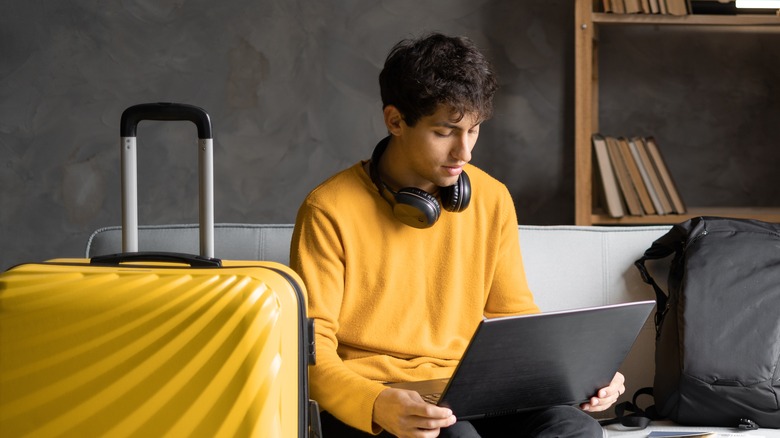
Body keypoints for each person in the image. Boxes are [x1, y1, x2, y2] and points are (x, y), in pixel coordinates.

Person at [290, 32, 624, 438]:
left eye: (474, 130)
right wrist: (375, 403)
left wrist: (583, 373)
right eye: (445, 132)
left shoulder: (491, 197)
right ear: (395, 120)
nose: (464, 152)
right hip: (381, 398)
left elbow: (514, 316)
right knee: (455, 435)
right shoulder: (328, 208)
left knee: (576, 429)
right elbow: (311, 352)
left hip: (473, 390)